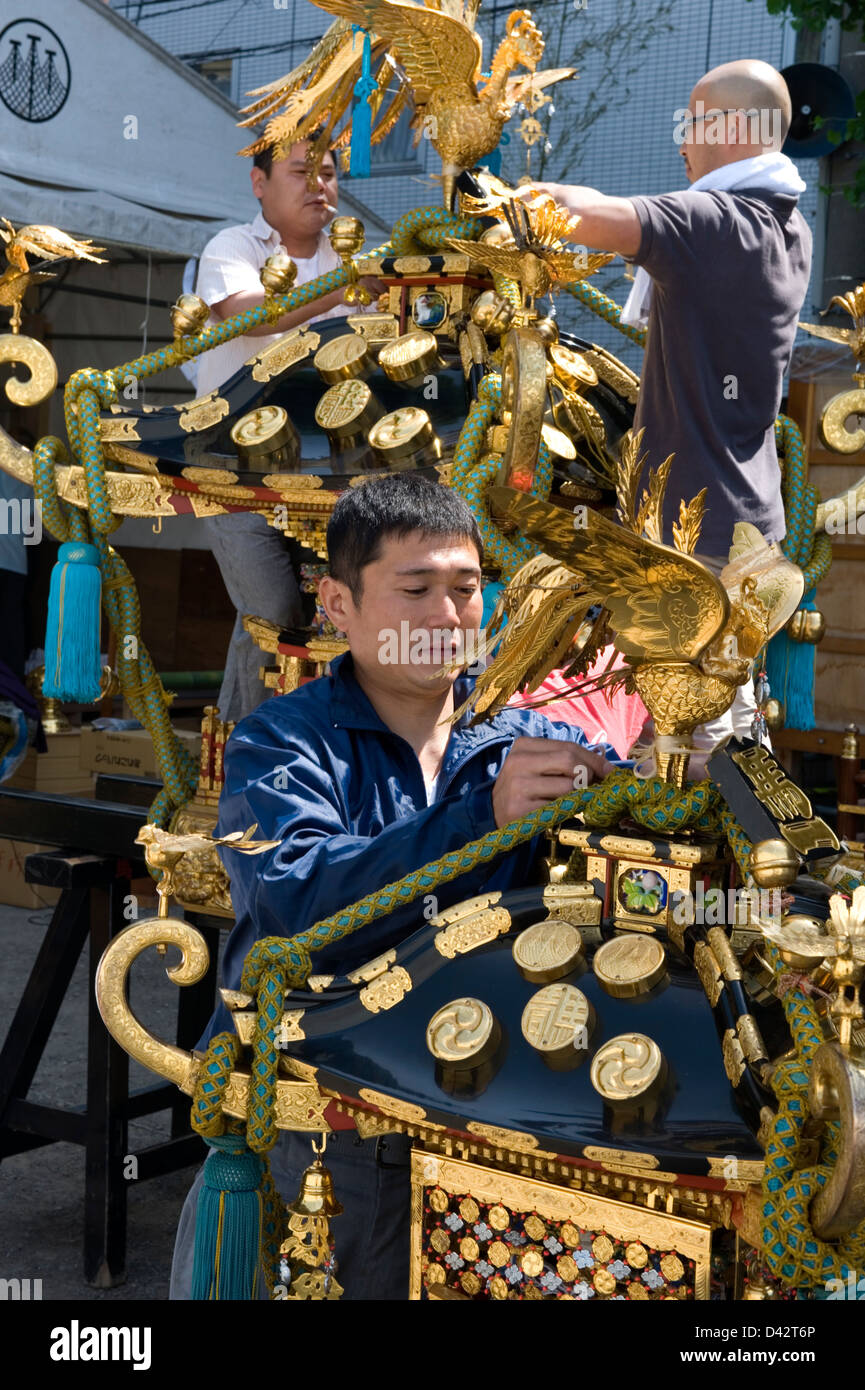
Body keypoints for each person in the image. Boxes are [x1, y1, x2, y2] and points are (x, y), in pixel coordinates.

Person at [170, 474, 623, 1301]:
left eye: (466, 588)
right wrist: (479, 818)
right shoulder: (281, 740)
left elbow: (635, 829)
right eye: (415, 589)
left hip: (489, 1115)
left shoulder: (526, 736)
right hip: (323, 1117)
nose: (448, 616)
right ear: (337, 603)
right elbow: (293, 902)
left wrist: (685, 776)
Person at [519, 58, 812, 751]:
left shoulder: (714, 222)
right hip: (748, 524)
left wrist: (501, 195)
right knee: (730, 724)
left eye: (691, 120)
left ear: (733, 128)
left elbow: (584, 214)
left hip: (694, 534)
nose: (680, 139)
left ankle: (712, 855)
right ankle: (750, 851)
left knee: (693, 742)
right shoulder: (786, 228)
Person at [194, 137, 383, 722]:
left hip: (327, 475)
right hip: (231, 471)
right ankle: (250, 763)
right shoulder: (232, 247)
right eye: (301, 172)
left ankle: (243, 757)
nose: (318, 185)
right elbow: (253, 314)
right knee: (273, 613)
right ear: (259, 184)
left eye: (327, 173)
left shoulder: (351, 257)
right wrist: (350, 286)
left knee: (320, 613)